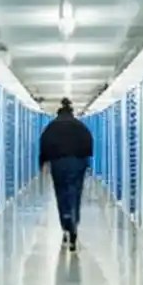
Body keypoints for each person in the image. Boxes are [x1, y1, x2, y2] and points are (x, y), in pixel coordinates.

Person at [39, 98, 94, 251]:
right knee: (75, 193)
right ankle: (74, 223)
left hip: (58, 164)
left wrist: (43, 163)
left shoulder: (52, 127)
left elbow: (44, 144)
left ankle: (66, 225)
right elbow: (89, 144)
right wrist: (87, 163)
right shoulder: (80, 126)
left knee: (61, 193)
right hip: (78, 163)